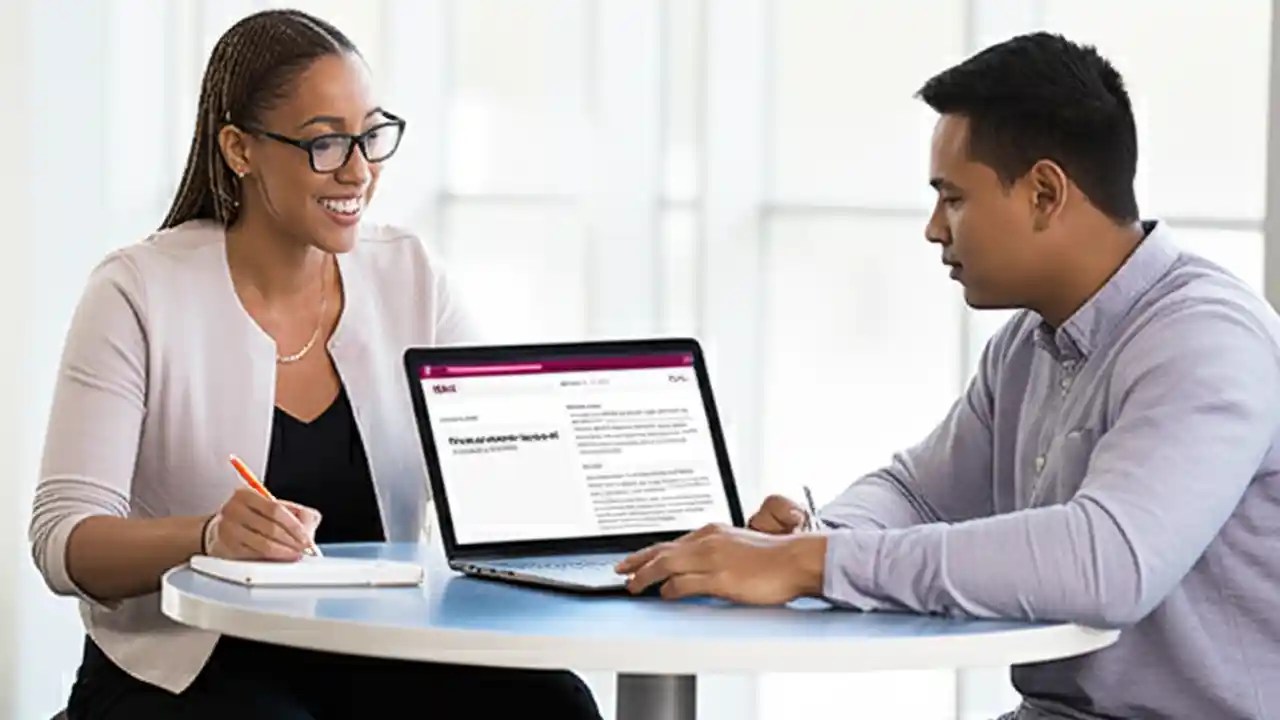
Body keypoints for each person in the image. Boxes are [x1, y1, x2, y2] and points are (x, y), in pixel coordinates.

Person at [616, 31, 1280, 720]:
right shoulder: (1029, 344)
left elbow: (1109, 563)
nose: (935, 229)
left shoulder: (1207, 339)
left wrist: (813, 564)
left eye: (953, 198)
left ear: (1045, 193)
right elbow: (918, 494)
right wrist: (817, 534)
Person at [28, 9, 601, 719]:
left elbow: (497, 470)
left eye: (371, 136)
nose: (358, 170)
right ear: (239, 149)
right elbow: (63, 540)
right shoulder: (137, 291)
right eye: (325, 142)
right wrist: (206, 536)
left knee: (553, 704)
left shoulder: (411, 277)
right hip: (181, 669)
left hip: (369, 656)